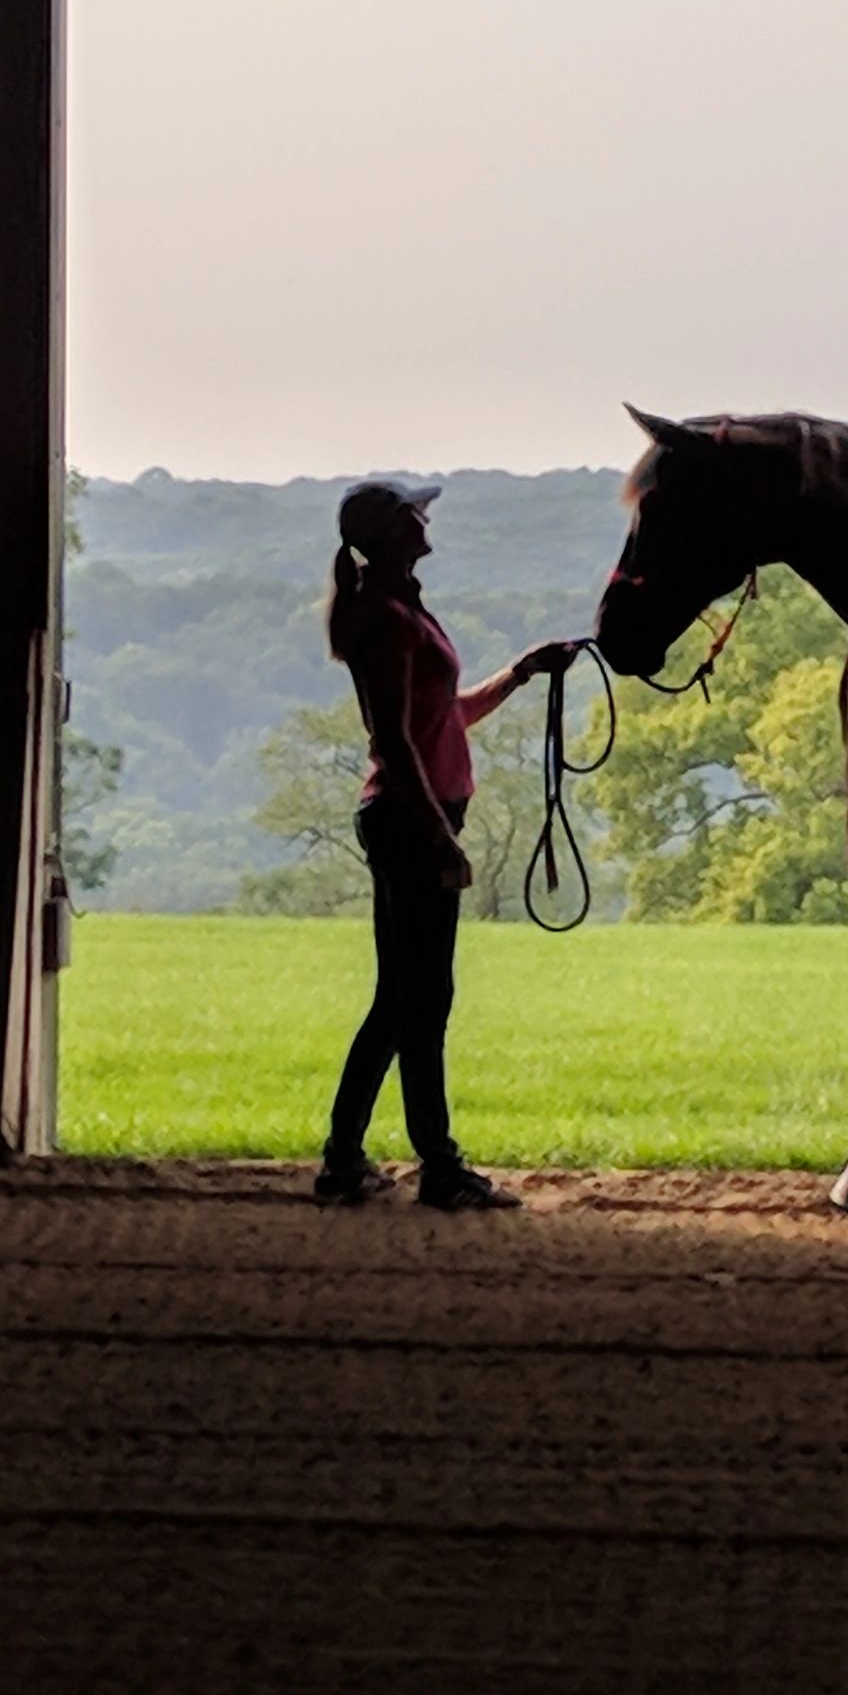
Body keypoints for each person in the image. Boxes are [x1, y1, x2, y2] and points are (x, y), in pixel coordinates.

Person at [316, 478, 573, 1210]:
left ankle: (349, 1159)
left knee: (403, 999)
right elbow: (395, 741)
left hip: (408, 817)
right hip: (410, 821)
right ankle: (437, 1166)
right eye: (415, 513)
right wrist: (439, 837)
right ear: (396, 530)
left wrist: (520, 673)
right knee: (423, 1000)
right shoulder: (388, 618)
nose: (426, 519)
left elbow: (443, 715)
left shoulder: (397, 609)